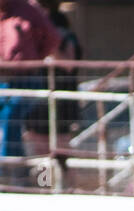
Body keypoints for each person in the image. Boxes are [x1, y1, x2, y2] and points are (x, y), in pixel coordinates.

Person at [0, 0, 61, 185]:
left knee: (10, 119)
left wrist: (33, 58)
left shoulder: (30, 8)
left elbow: (52, 38)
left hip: (27, 78)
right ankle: (20, 178)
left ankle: (2, 174)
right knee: (10, 128)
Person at [32, 0, 84, 141]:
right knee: (37, 140)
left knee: (60, 142)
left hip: (61, 100)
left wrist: (51, 48)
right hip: (41, 99)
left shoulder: (62, 34)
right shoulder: (35, 34)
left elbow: (69, 64)